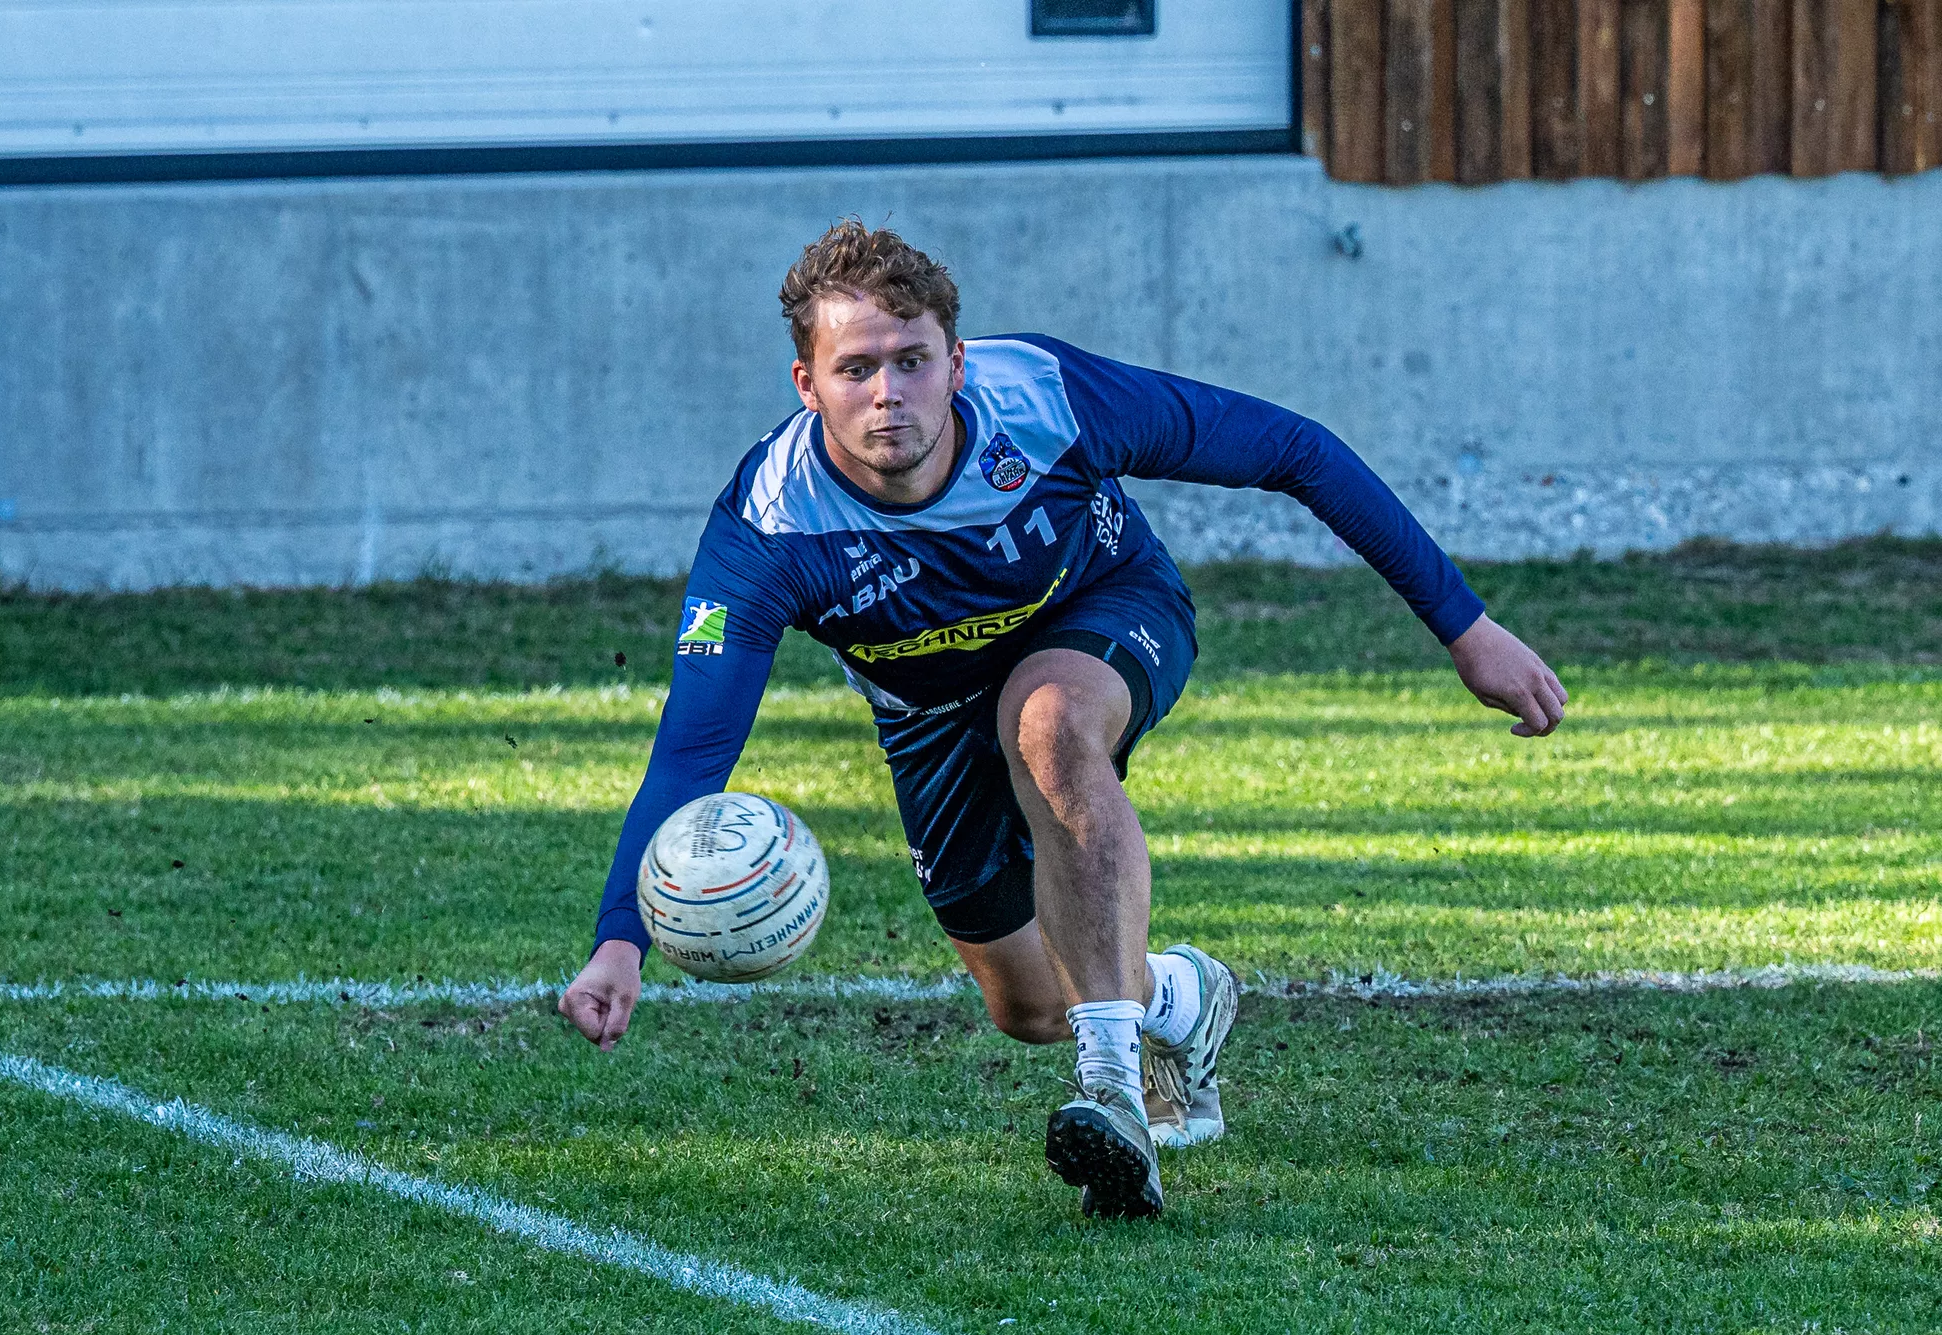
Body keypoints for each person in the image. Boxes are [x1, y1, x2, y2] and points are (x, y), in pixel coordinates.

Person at [560, 219, 1566, 1219]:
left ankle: (1113, 1093)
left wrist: (1465, 628)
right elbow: (694, 748)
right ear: (806, 384)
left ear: (956, 363)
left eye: (912, 361)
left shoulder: (1046, 398)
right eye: (855, 369)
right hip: (927, 714)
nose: (887, 393)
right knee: (1033, 1004)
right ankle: (1178, 997)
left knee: (1046, 722)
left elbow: (1291, 449)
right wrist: (620, 939)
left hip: (1106, 609)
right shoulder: (770, 525)